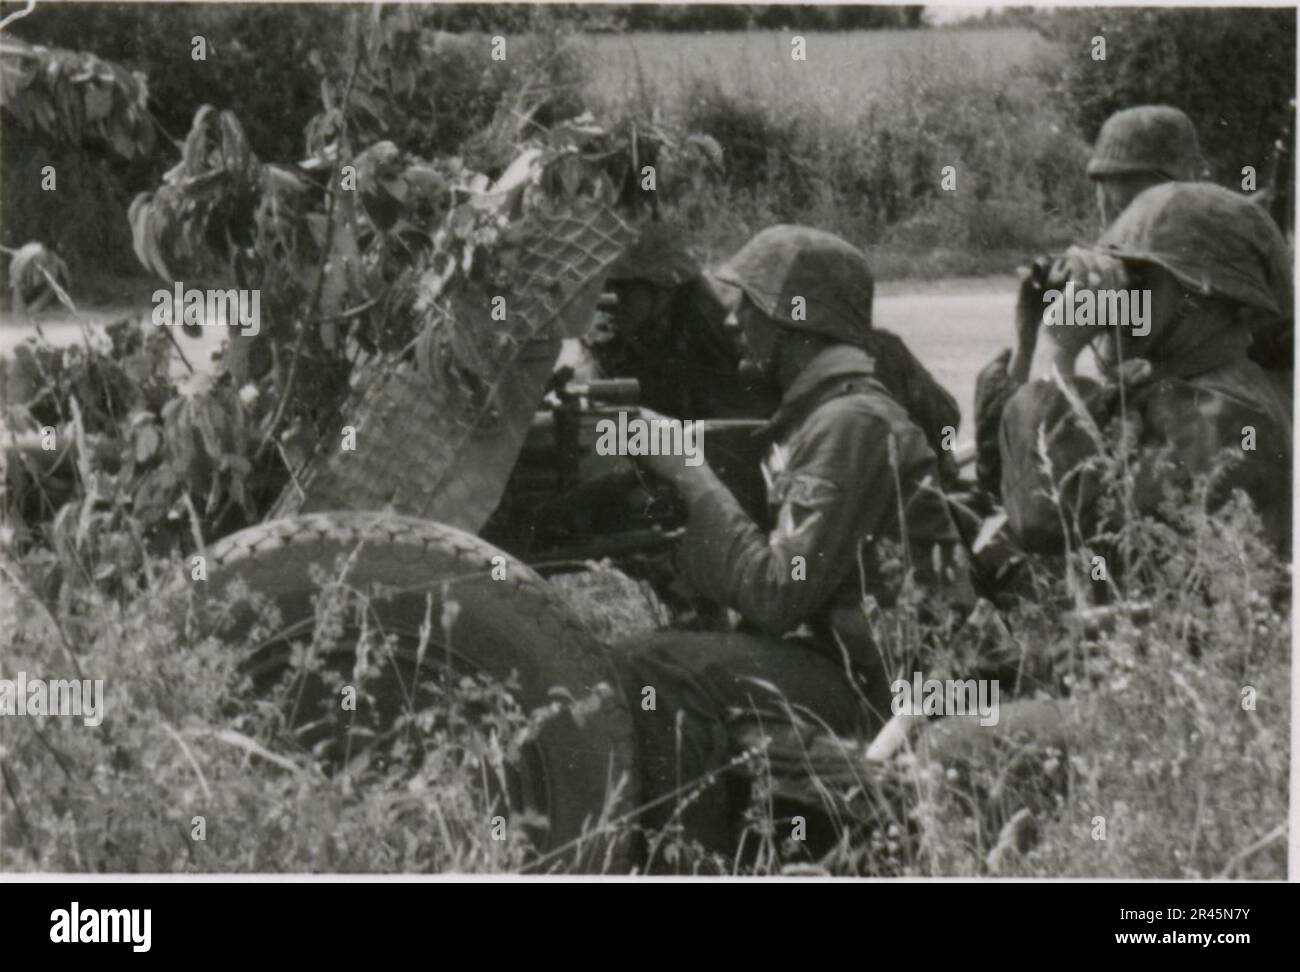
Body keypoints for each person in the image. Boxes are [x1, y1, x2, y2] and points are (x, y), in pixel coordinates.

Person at [610, 225, 975, 854]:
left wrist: (685, 466)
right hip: (872, 671)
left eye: (751, 306)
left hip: (900, 692)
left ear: (794, 323)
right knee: (674, 653)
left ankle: (689, 865)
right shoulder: (829, 415)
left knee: (655, 665)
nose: (733, 323)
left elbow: (779, 594)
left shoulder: (850, 423)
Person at [996, 182, 1293, 554]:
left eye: (1139, 277)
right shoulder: (1181, 385)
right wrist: (1028, 347)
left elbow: (1049, 519)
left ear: (1206, 295)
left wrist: (1056, 347)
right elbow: (1010, 486)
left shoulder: (1229, 417)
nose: (1120, 297)